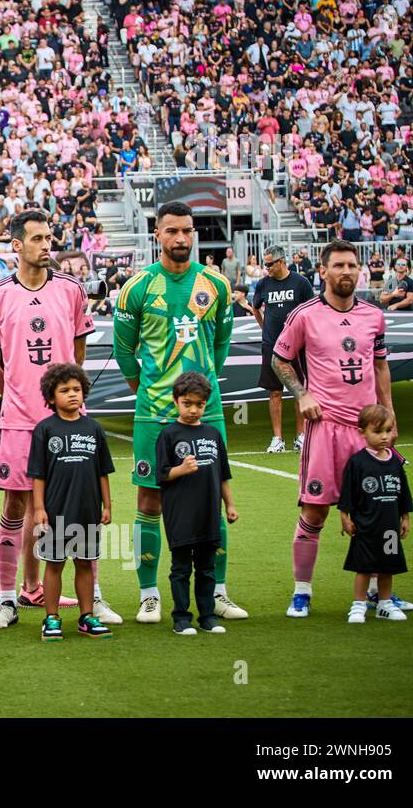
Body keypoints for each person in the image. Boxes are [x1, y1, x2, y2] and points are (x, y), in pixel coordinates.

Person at [0, 211, 116, 626]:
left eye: (49, 237)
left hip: (69, 419)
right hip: (18, 420)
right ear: (16, 245)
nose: (46, 244)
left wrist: (62, 398)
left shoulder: (71, 290)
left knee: (81, 503)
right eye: (37, 238)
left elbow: (78, 357)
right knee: (16, 504)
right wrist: (20, 392)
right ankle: (7, 601)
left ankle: (94, 597)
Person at [113, 201, 244, 624]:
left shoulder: (216, 284)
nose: (181, 238)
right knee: (149, 499)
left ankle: (217, 592)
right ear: (157, 235)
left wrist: (201, 390)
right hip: (153, 413)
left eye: (187, 230)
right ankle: (149, 595)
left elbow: (221, 345)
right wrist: (149, 392)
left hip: (208, 412)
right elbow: (123, 351)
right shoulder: (137, 287)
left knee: (210, 498)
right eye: (172, 231)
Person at [272, 240, 407, 619]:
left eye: (351, 265)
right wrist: (301, 394)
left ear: (359, 270)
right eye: (338, 265)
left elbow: (380, 366)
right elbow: (280, 359)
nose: (346, 271)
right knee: (314, 513)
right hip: (325, 428)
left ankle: (380, 593)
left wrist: (389, 414)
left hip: (367, 432)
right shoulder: (304, 315)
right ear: (323, 271)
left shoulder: (373, 316)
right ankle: (302, 592)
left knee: (381, 511)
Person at [28, 363, 114, 642]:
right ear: (51, 397)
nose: (72, 394)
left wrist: (107, 505)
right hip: (55, 512)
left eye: (76, 389)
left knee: (85, 563)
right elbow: (38, 474)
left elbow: (103, 472)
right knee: (54, 564)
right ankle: (51, 618)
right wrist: (39, 508)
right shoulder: (45, 429)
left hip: (87, 511)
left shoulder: (94, 429)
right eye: (64, 390)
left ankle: (87, 616)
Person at [156, 373, 239, 635]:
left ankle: (207, 617)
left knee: (206, 568)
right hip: (180, 514)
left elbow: (223, 474)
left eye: (199, 404)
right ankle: (181, 618)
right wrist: (181, 469)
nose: (193, 410)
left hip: (209, 513)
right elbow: (161, 474)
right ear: (176, 401)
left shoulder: (213, 434)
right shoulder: (168, 434)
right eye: (187, 403)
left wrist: (230, 505)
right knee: (181, 569)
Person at [340, 405, 412, 624]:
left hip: (390, 527)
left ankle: (385, 603)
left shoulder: (395, 462)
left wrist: (405, 517)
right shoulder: (357, 462)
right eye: (378, 431)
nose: (384, 436)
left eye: (388, 431)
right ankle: (358, 605)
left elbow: (403, 491)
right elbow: (347, 493)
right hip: (365, 526)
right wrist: (344, 517)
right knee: (364, 568)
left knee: (387, 567)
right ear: (362, 432)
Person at [252, 244, 314, 454]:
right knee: (275, 391)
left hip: (297, 345)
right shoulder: (263, 284)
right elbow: (255, 307)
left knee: (299, 390)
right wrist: (265, 329)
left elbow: (311, 312)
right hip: (272, 345)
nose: (267, 268)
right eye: (265, 264)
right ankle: (277, 438)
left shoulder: (301, 283)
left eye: (270, 264)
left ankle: (301, 435)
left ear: (281, 262)